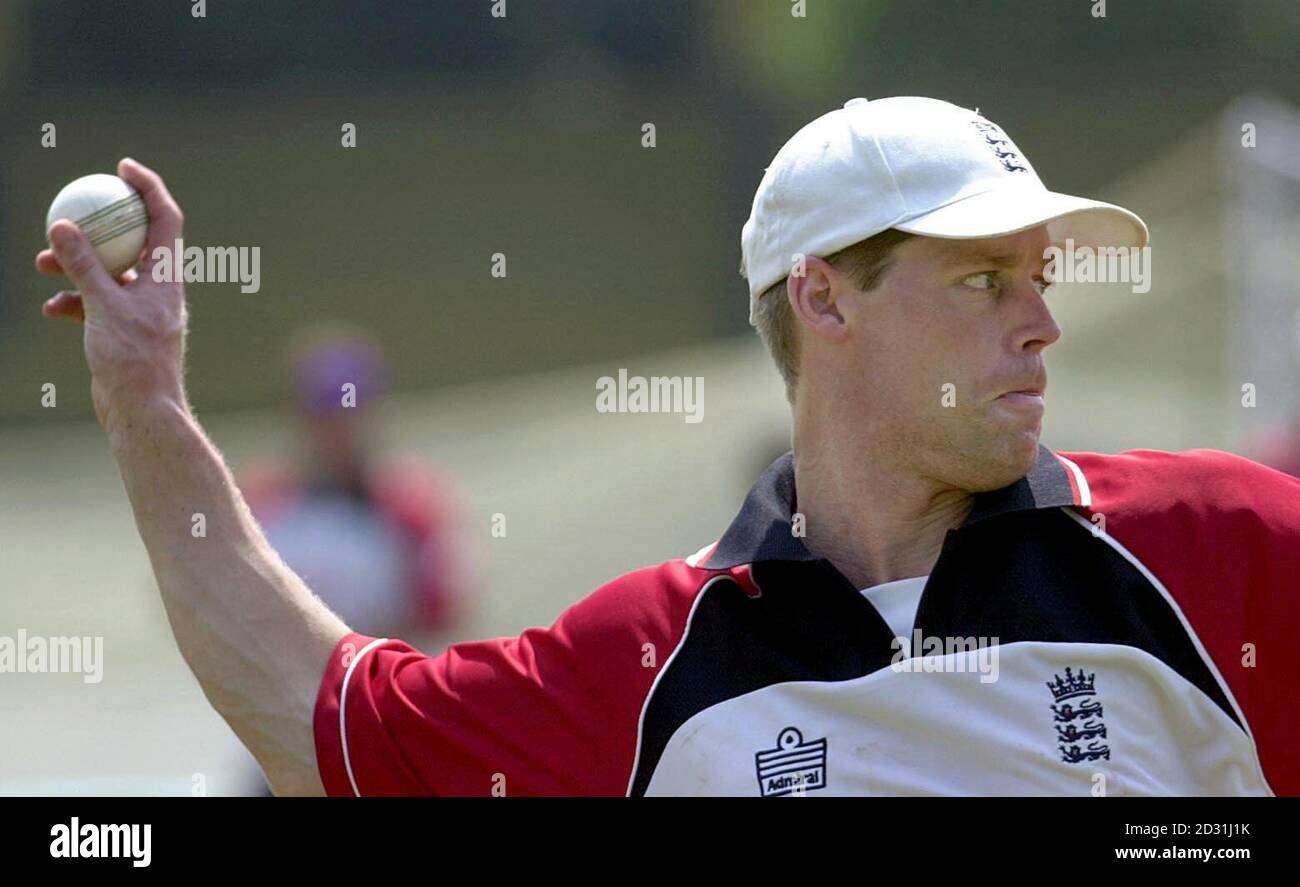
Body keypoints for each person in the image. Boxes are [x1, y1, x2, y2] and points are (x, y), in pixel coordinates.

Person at [38, 98, 1300, 797]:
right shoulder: (643, 666)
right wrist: (142, 390)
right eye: (982, 280)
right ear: (824, 300)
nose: (1044, 322)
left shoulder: (1226, 549)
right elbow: (324, 719)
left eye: (1037, 275)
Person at [238, 325, 471, 648]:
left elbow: (444, 611)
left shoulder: (412, 504)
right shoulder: (262, 502)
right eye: (325, 415)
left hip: (384, 679)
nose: (339, 431)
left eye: (351, 414)